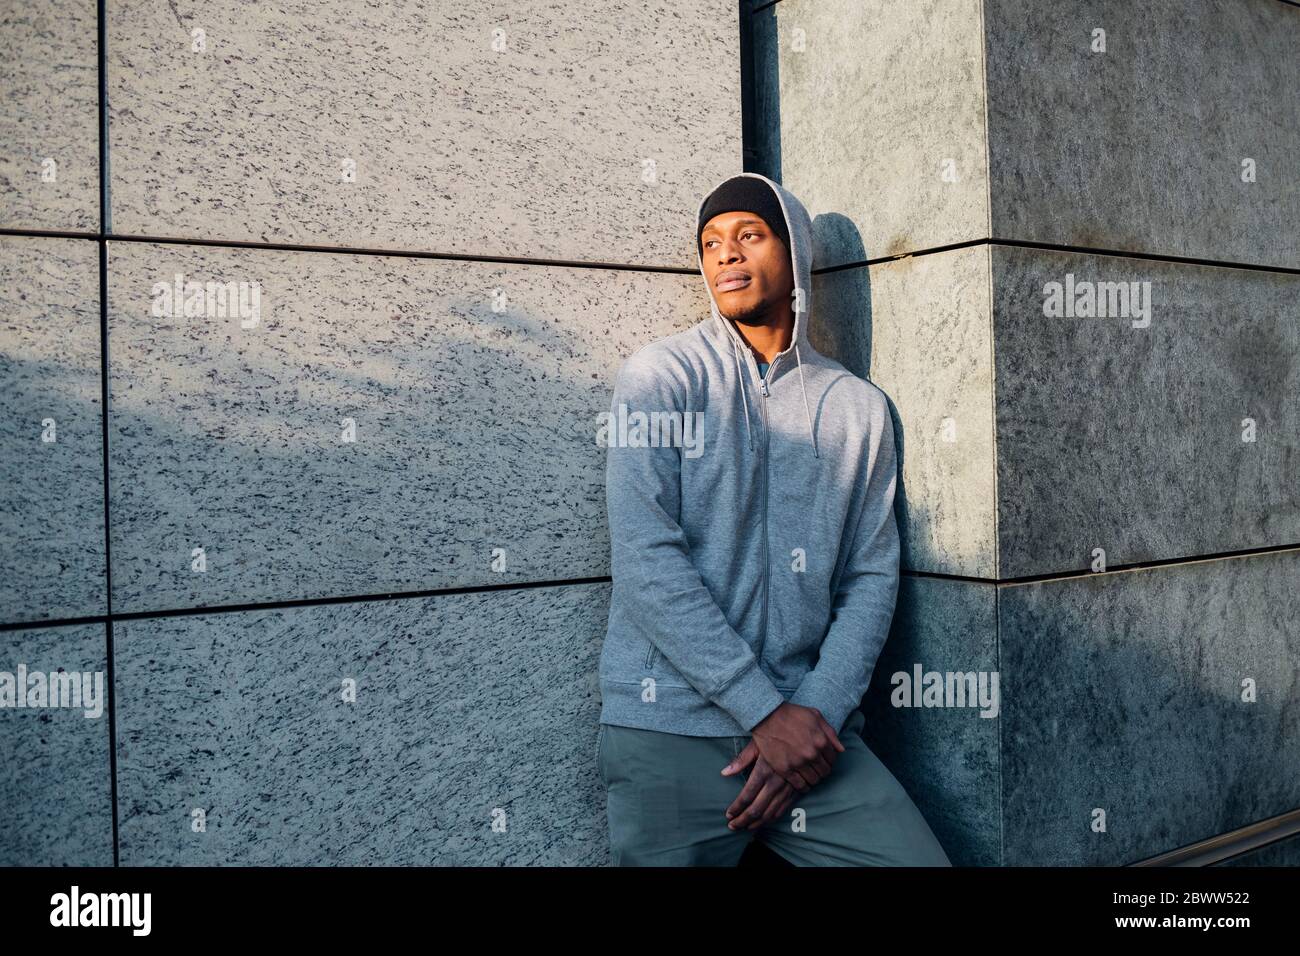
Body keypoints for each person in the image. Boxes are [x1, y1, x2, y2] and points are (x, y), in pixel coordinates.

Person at [595, 172, 951, 867]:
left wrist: (809, 716)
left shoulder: (858, 408)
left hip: (817, 740)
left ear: (795, 254)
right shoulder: (659, 378)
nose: (725, 254)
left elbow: (871, 577)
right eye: (710, 243)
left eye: (748, 235)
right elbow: (645, 557)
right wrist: (762, 711)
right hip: (671, 728)